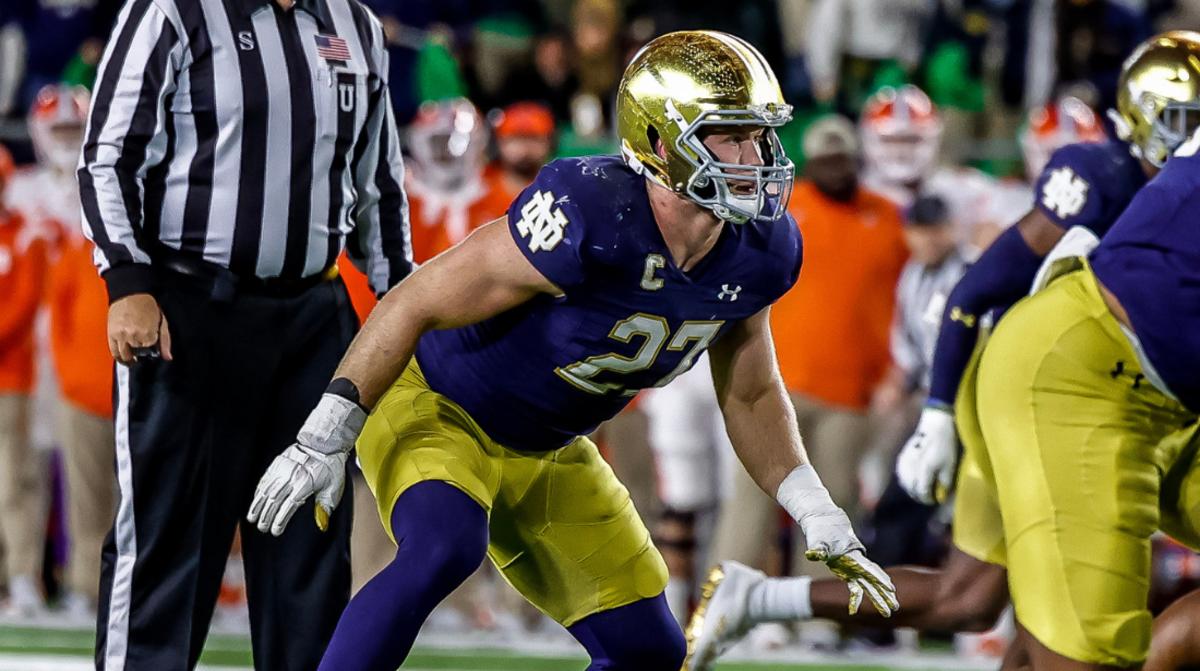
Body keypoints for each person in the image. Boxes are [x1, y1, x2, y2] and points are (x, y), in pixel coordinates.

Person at [245, 31, 898, 671]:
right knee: (444, 544)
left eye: (760, 135)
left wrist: (813, 505)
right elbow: (413, 301)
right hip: (443, 405)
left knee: (650, 653)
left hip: (551, 446)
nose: (755, 157)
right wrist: (325, 436)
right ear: (660, 141)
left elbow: (751, 392)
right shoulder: (591, 211)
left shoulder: (764, 249)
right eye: (730, 135)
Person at [684, 31, 1200, 669]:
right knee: (1060, 610)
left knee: (970, 599)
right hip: (1051, 383)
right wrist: (938, 408)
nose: (1190, 139)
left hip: (1089, 384)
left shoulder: (1156, 191)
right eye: (1185, 120)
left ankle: (762, 598)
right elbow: (979, 289)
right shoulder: (1105, 175)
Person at [78, 0, 412, 666]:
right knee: (168, 546)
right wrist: (127, 279)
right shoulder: (173, 11)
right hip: (189, 313)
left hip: (315, 319)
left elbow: (377, 181)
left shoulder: (355, 24)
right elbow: (107, 158)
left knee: (310, 554)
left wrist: (404, 302)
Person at [708, 114, 906, 599]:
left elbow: (906, 296)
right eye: (826, 160)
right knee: (752, 500)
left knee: (833, 509)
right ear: (810, 164)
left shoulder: (888, 217)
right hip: (776, 382)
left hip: (852, 391)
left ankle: (817, 613)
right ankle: (723, 602)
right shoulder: (782, 209)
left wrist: (895, 370)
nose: (835, 168)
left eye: (842, 159)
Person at [7, 84, 111, 621]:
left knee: (88, 472)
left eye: (75, 129)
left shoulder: (106, 184)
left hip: (85, 346)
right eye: (59, 130)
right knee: (20, 466)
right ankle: (22, 575)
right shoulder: (19, 189)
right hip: (26, 348)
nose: (67, 140)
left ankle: (85, 580)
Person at [861, 85, 1023, 251]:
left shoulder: (965, 189)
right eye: (890, 141)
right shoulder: (858, 196)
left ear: (933, 138)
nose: (900, 151)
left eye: (911, 140)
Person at [0, 141, 49, 618]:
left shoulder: (26, 234)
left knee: (14, 481)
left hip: (10, 379)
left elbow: (24, 305)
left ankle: (21, 576)